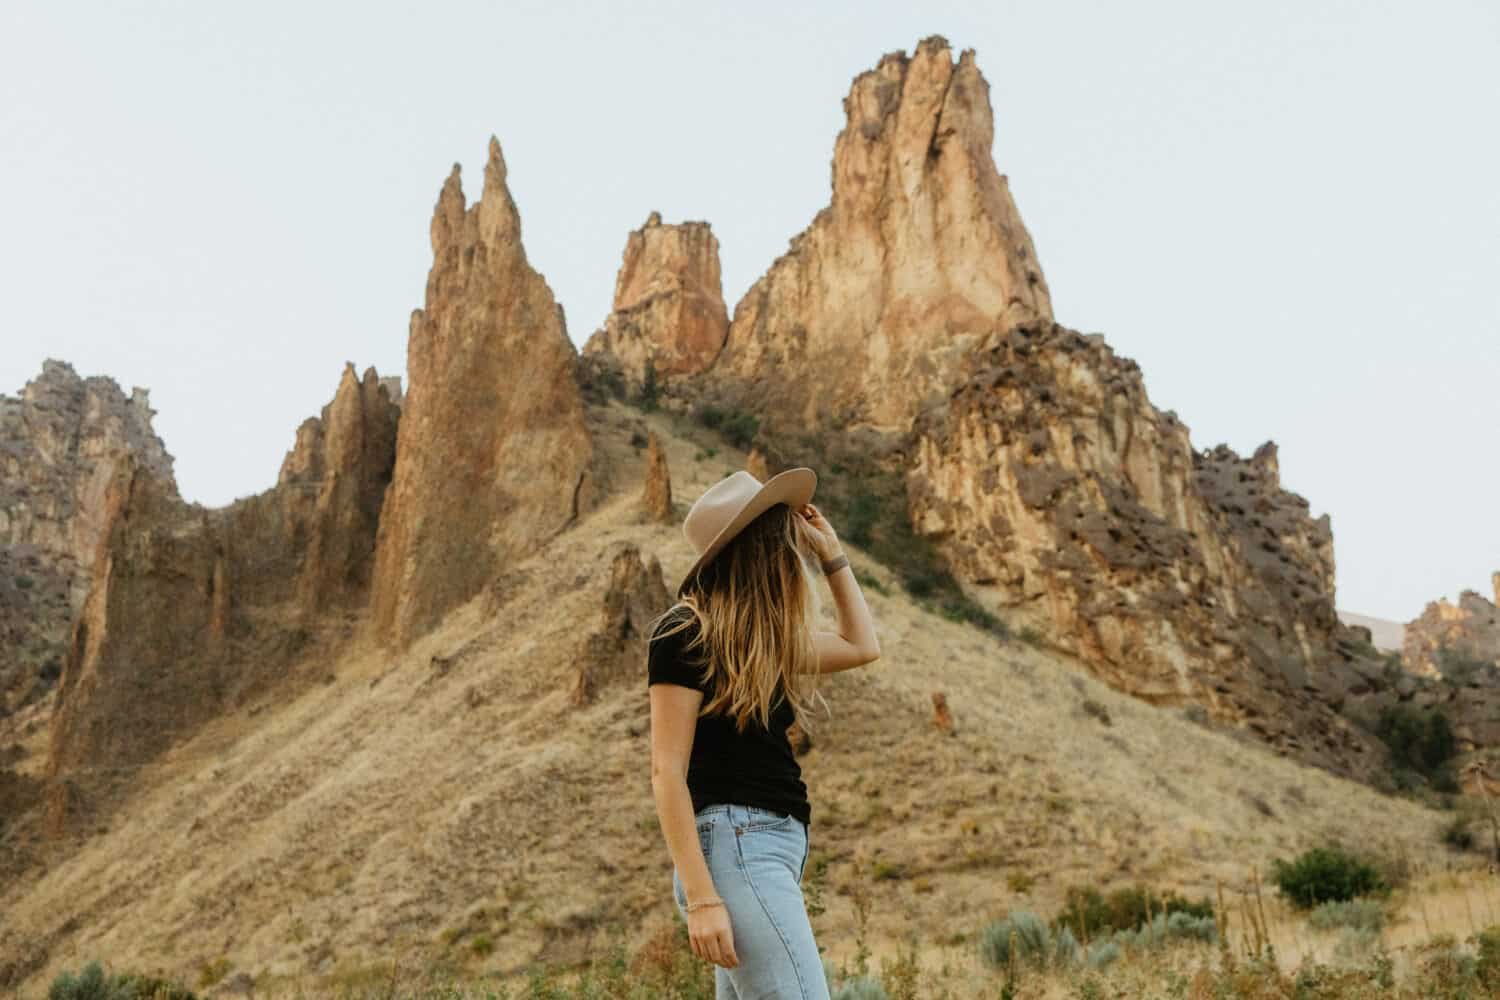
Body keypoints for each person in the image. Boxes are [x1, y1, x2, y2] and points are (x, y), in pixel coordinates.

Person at [647, 467, 881, 999]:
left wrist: (833, 556)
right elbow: (666, 773)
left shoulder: (763, 640)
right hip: (737, 851)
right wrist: (702, 900)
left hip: (766, 851)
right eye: (780, 536)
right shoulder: (685, 633)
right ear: (756, 549)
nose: (791, 550)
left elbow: (861, 645)